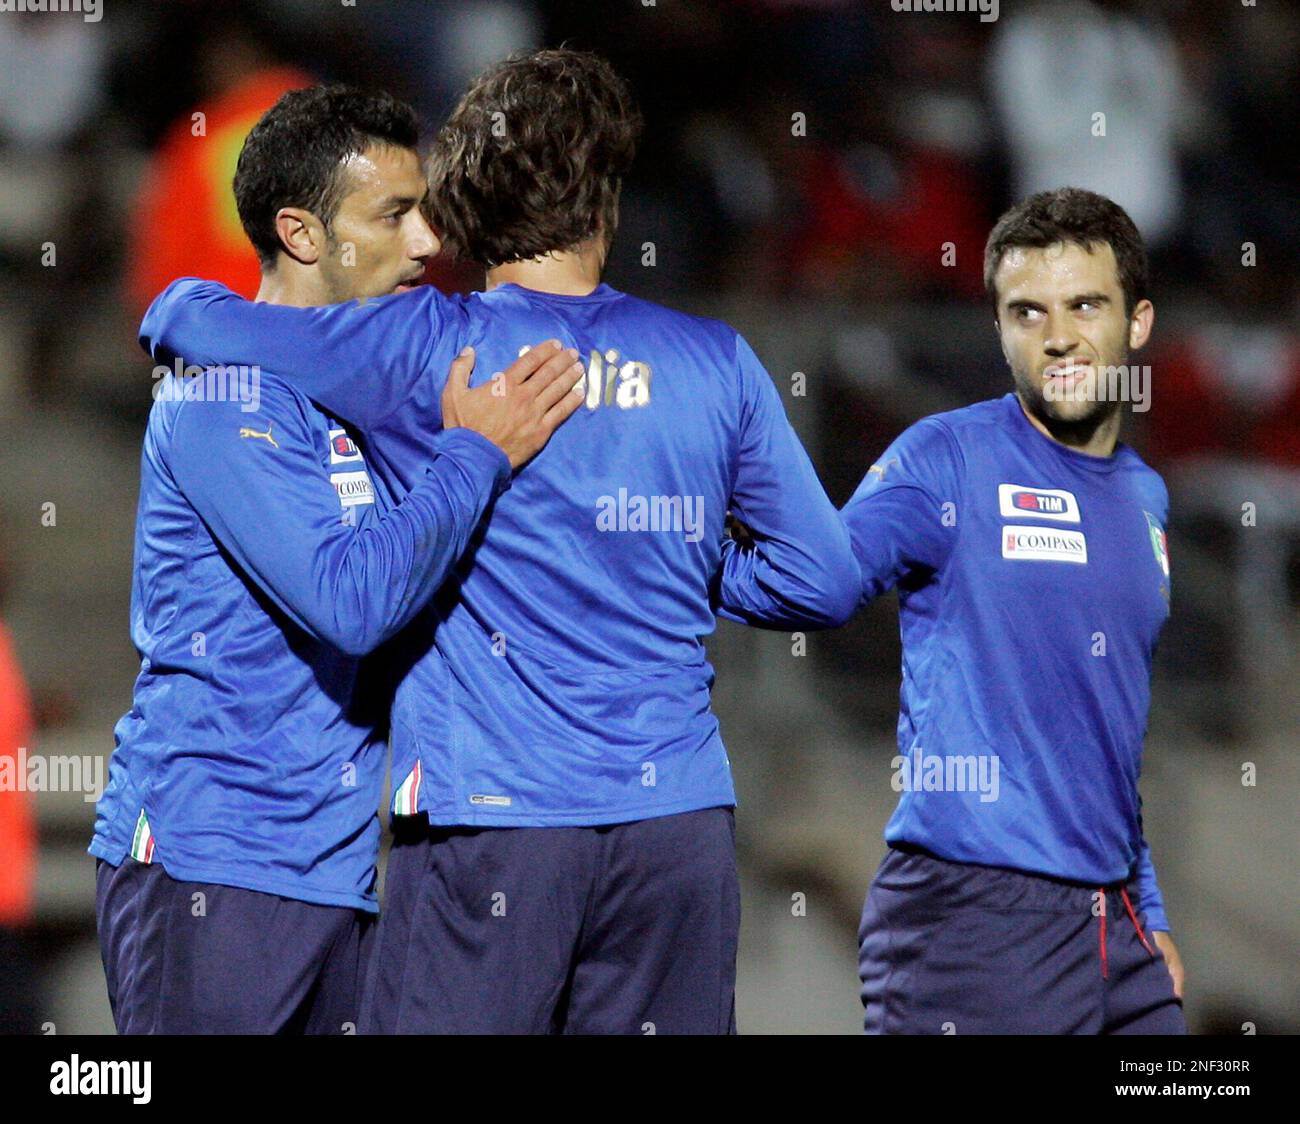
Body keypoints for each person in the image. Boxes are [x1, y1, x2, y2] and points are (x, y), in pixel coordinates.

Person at [140, 48, 858, 1034]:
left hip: (493, 819)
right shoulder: (716, 361)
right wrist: (684, 557)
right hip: (677, 826)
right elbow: (825, 577)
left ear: (465, 208)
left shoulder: (420, 343)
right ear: (607, 202)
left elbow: (214, 330)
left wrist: (174, 304)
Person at [92, 85, 582, 1034]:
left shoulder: (362, 399)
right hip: (213, 861)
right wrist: (474, 455)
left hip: (335, 865)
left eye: (425, 212)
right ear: (302, 234)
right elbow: (351, 603)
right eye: (393, 216)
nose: (427, 243)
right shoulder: (220, 399)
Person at [834, 187, 1186, 1033]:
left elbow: (1106, 731)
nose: (1057, 335)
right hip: (975, 921)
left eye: (1085, 305)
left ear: (1138, 322)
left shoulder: (1147, 496)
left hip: (1116, 926)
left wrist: (1147, 908)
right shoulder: (945, 457)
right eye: (1027, 311)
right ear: (999, 327)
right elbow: (815, 580)